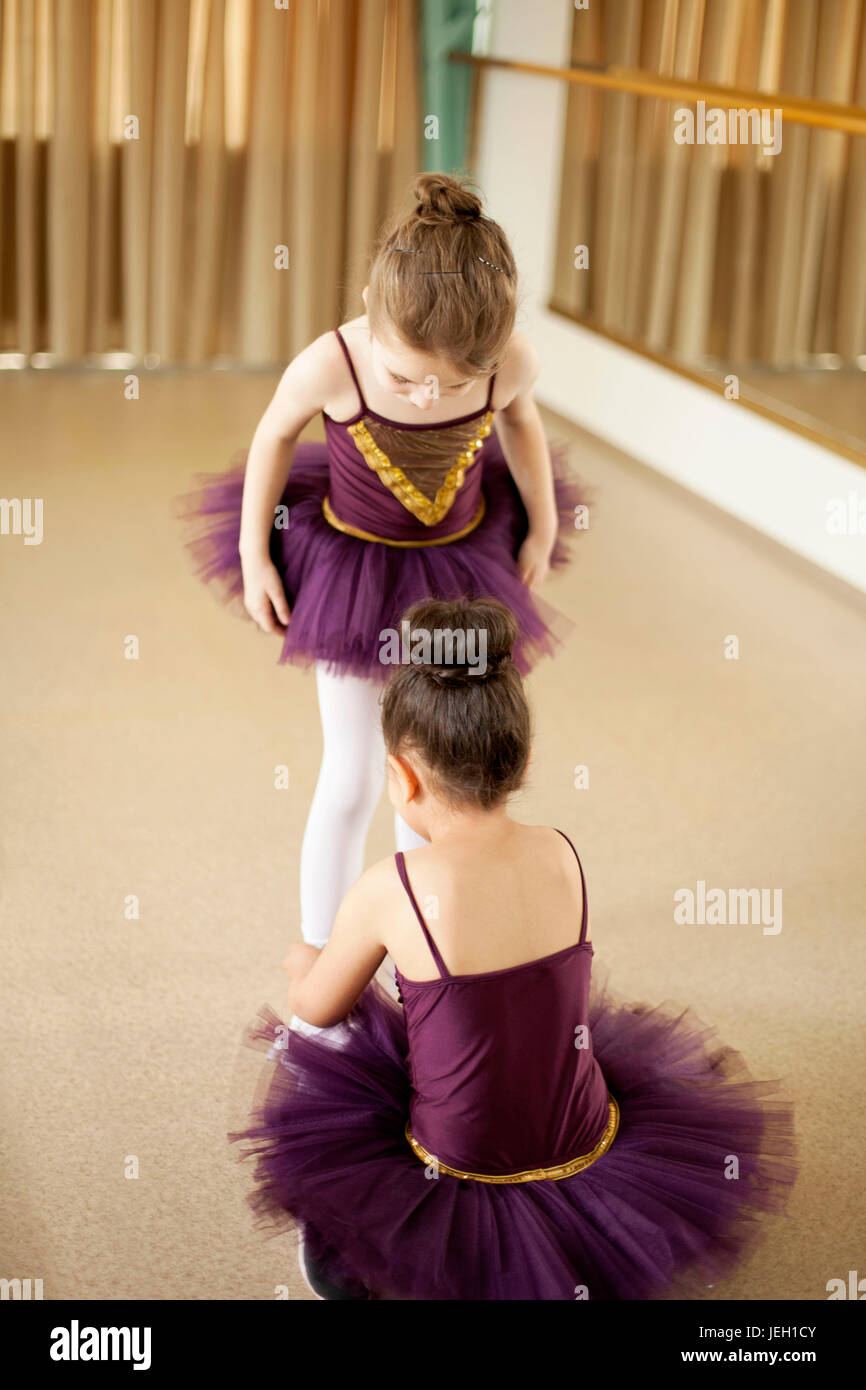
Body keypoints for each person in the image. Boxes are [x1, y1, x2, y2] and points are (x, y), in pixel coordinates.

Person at [229, 596, 798, 1302]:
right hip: (585, 1136)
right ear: (519, 754)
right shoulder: (561, 853)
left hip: (458, 1159)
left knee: (321, 1038)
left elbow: (317, 1004)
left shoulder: (392, 887)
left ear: (402, 778)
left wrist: (300, 960)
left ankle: (370, 1249)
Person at [178, 172, 588, 949]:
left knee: (431, 778)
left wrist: (540, 523)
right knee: (355, 776)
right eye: (407, 380)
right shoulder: (333, 361)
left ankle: (416, 940)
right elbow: (273, 435)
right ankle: (323, 957)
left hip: (457, 569)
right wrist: (253, 549)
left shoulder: (512, 363)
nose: (430, 400)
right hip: (355, 576)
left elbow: (522, 428)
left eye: (455, 385)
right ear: (371, 308)